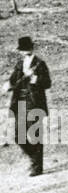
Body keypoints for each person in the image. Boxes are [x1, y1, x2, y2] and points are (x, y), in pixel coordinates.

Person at [6, 36, 52, 176]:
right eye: (23, 50)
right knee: (18, 135)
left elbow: (47, 83)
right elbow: (14, 80)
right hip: (20, 101)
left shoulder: (40, 64)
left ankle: (37, 167)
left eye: (28, 50)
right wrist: (8, 85)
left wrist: (35, 78)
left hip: (35, 102)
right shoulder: (20, 64)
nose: (26, 53)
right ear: (20, 51)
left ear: (32, 49)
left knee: (35, 134)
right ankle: (34, 158)